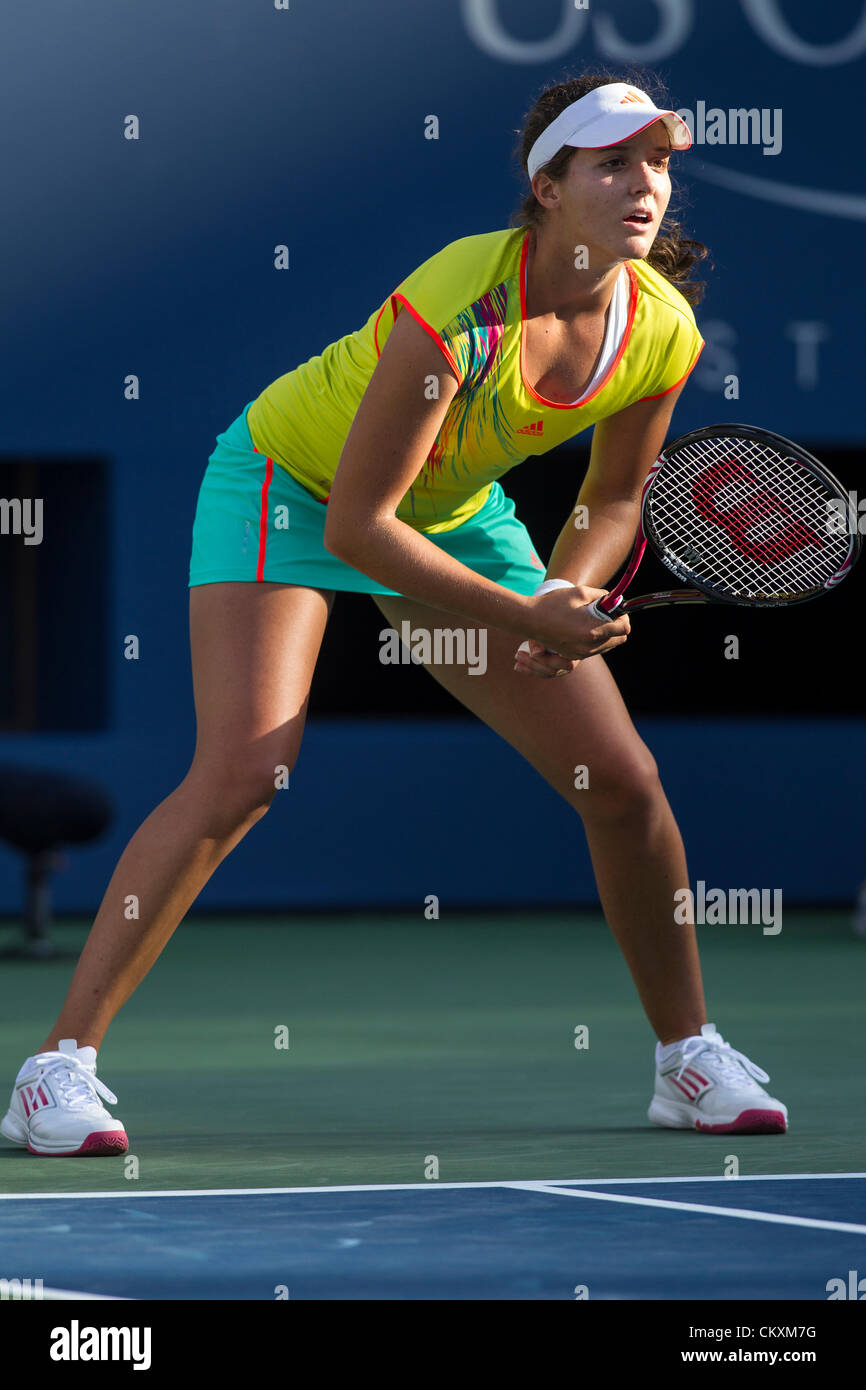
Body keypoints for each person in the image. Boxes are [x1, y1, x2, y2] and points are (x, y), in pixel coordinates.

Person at [1, 71, 787, 1157]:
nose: (643, 183)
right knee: (243, 773)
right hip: (293, 484)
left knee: (620, 780)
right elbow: (361, 531)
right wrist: (522, 622)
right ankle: (55, 1071)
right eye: (611, 162)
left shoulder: (661, 329)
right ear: (548, 188)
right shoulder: (466, 306)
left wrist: (559, 590)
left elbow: (609, 500)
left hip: (453, 510)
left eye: (657, 161)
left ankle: (686, 1055)